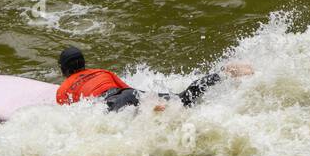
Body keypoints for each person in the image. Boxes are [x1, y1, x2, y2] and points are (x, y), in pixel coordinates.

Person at [55, 47, 253, 113]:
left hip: (112, 102)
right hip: (128, 94)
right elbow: (129, 90)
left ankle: (151, 110)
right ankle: (223, 72)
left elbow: (72, 113)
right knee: (183, 99)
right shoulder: (102, 72)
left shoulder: (64, 88)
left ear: (64, 70)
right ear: (83, 62)